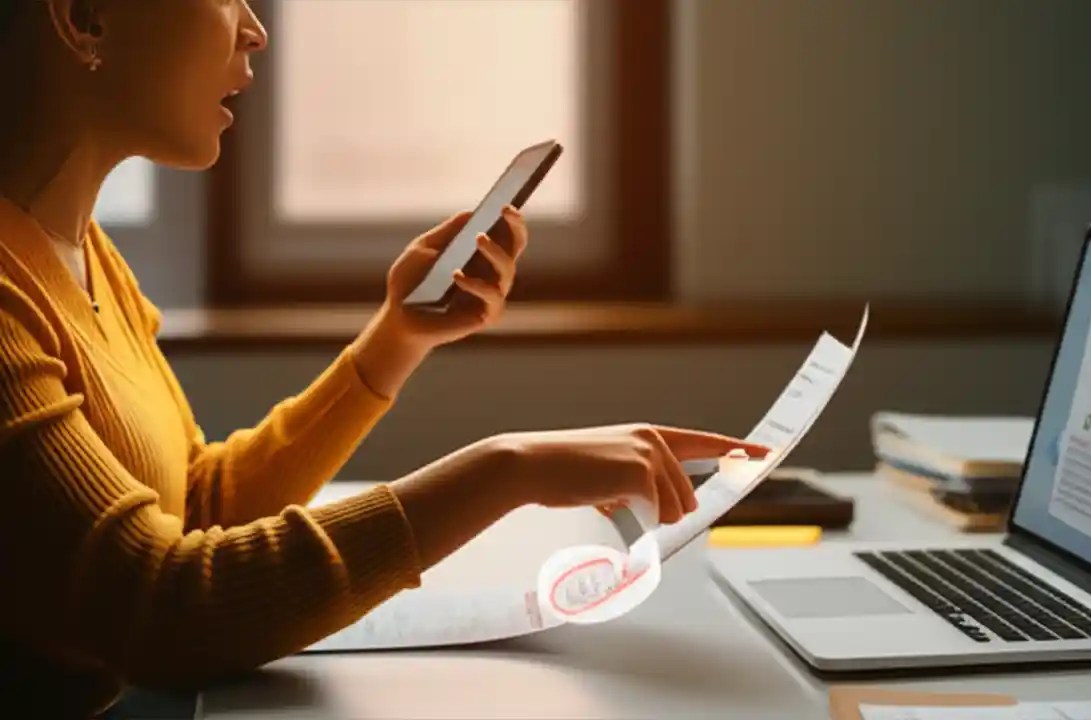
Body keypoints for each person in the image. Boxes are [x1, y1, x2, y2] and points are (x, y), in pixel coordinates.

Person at [0, 0, 768, 716]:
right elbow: (164, 610)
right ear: (84, 16)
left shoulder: (80, 251)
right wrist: (507, 470)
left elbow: (200, 507)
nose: (255, 28)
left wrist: (396, 339)